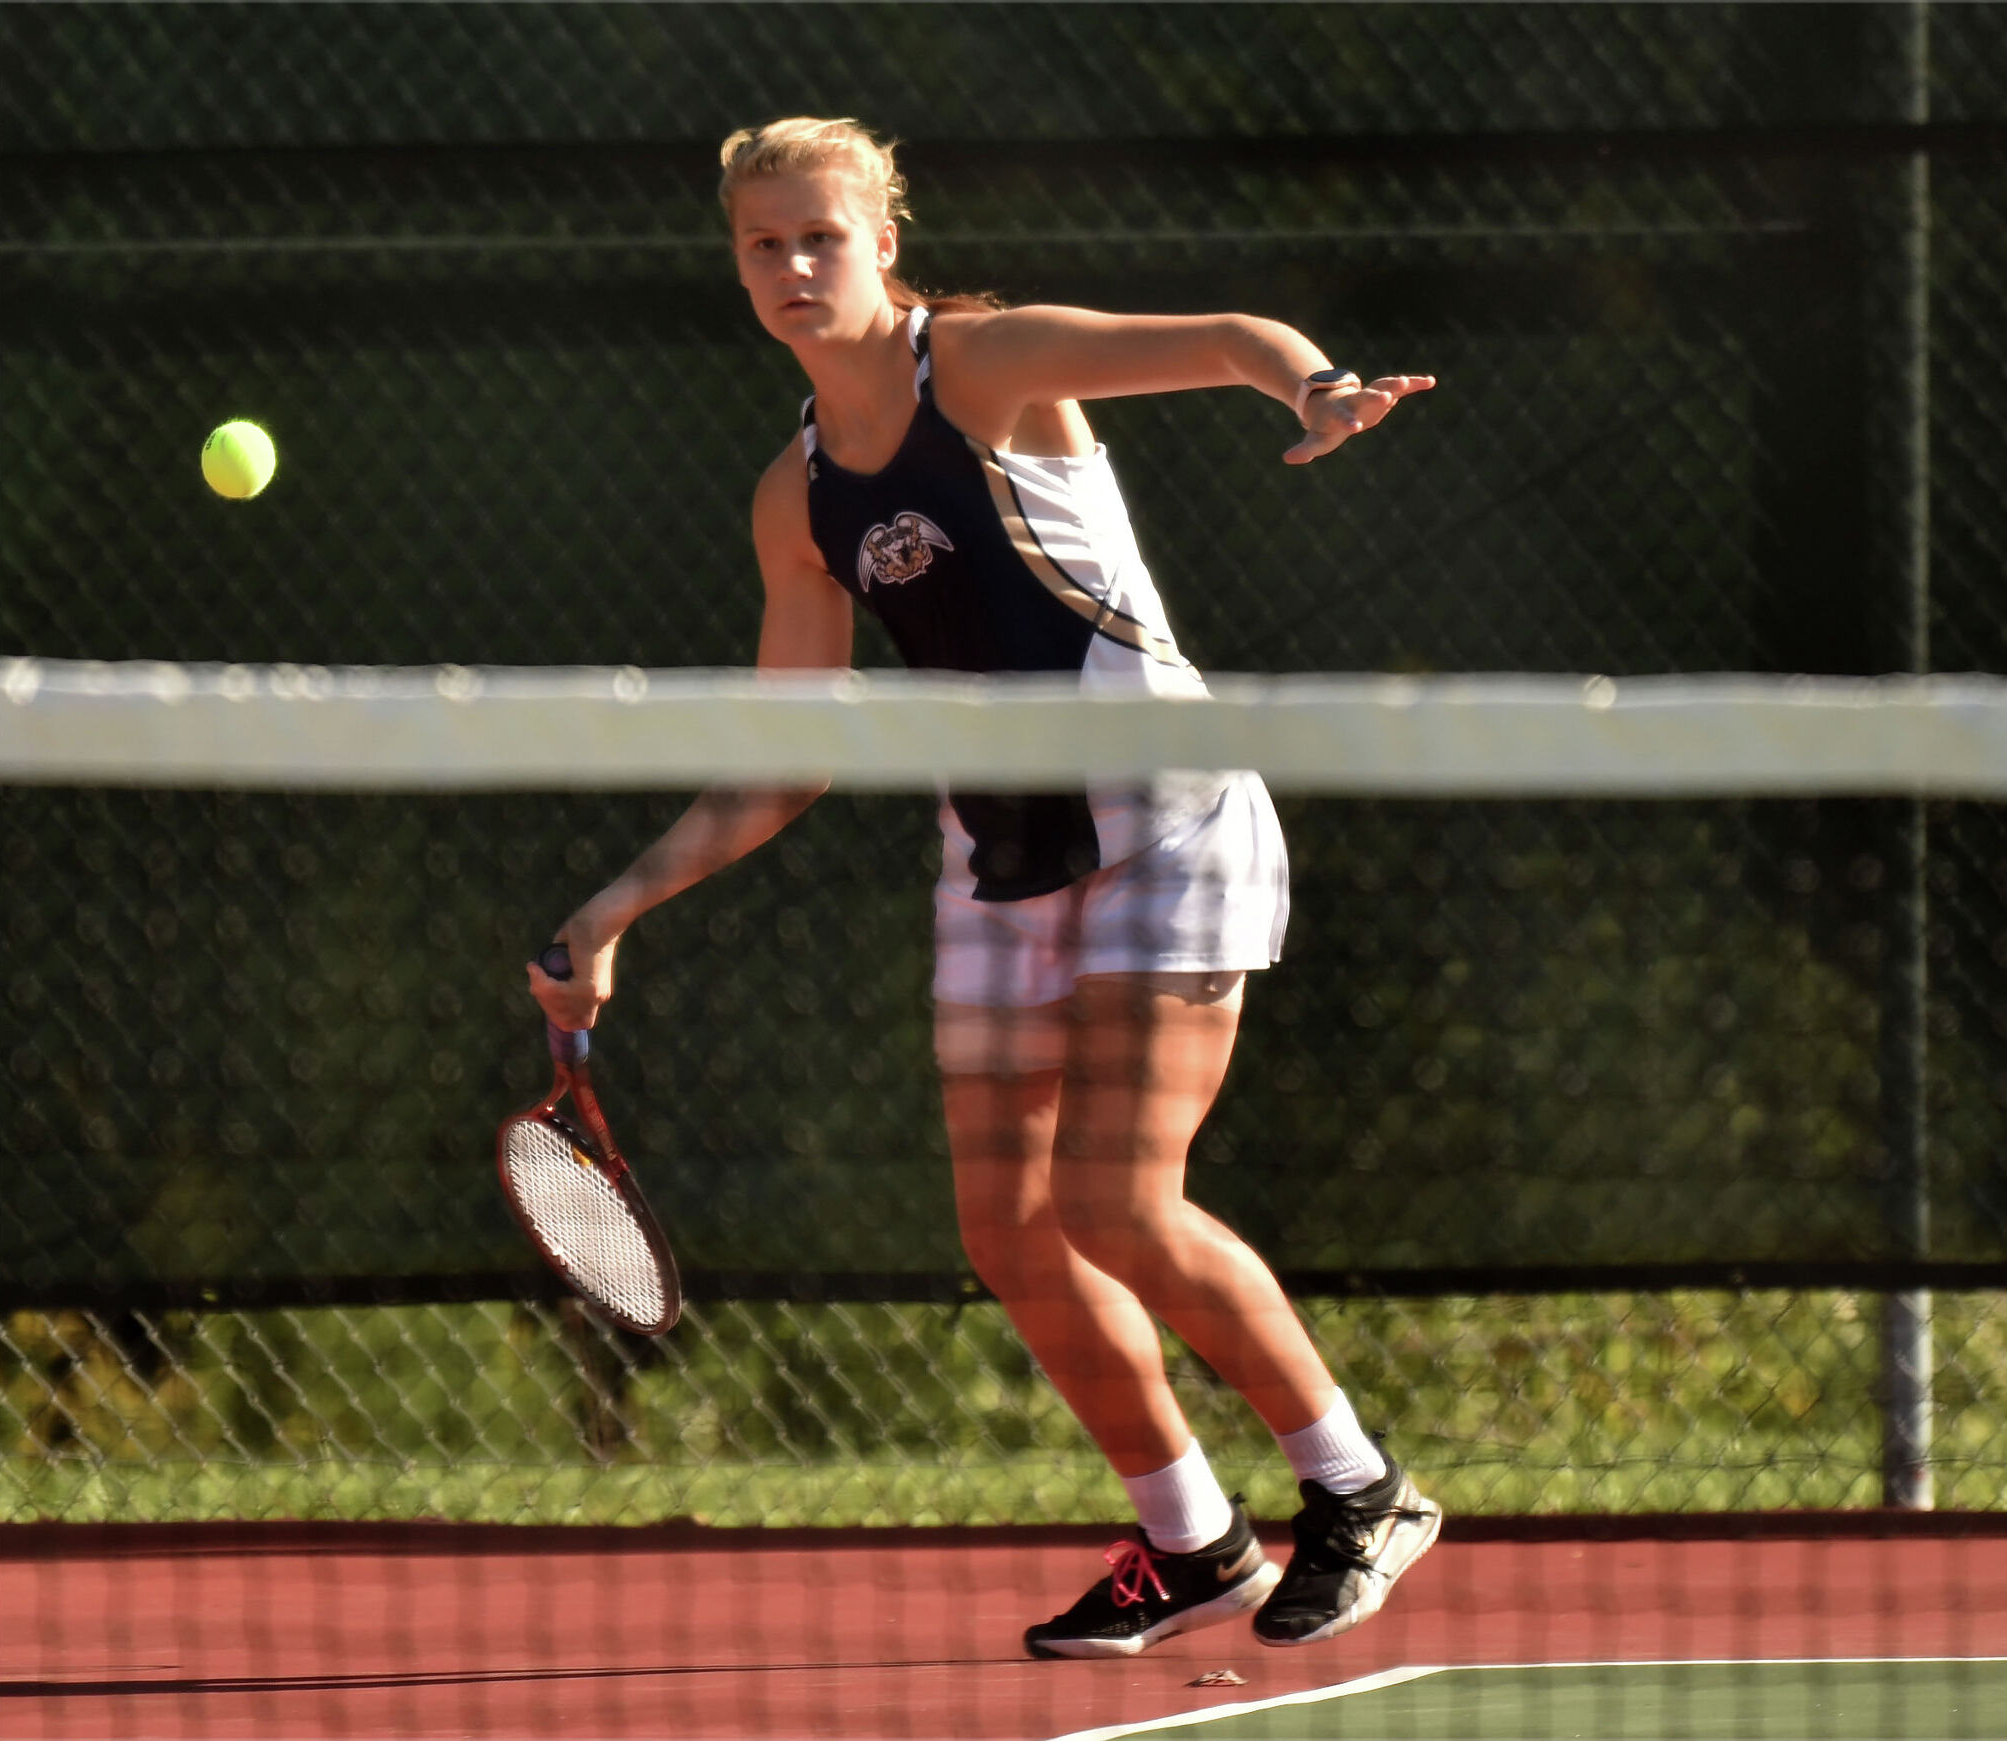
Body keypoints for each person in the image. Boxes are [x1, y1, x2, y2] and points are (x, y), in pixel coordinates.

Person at [528, 116, 1442, 1659]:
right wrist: (615, 907)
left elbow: (1226, 337)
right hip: (999, 857)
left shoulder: (993, 365)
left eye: (821, 236)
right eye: (764, 244)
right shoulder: (794, 499)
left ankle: (1360, 1490)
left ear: (884, 238)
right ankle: (1190, 1541)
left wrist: (1315, 385)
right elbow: (788, 757)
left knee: (1117, 1199)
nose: (794, 266)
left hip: (1167, 815)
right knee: (1013, 1231)